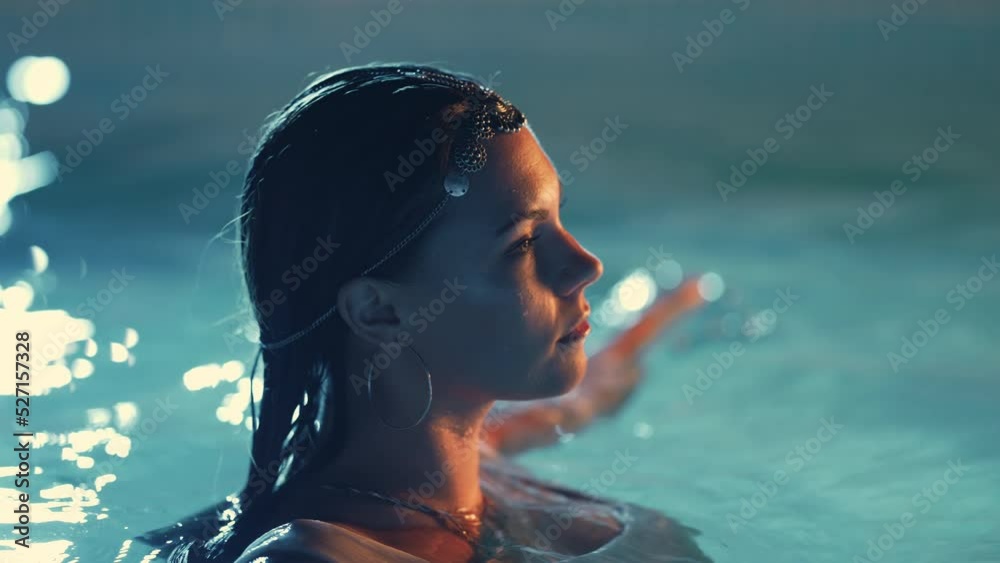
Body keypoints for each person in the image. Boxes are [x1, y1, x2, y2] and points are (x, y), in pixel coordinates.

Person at [139, 63, 712, 562]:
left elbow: (593, 392)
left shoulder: (482, 454)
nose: (586, 265)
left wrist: (675, 308)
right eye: (521, 245)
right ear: (380, 311)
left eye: (558, 219)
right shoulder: (312, 554)